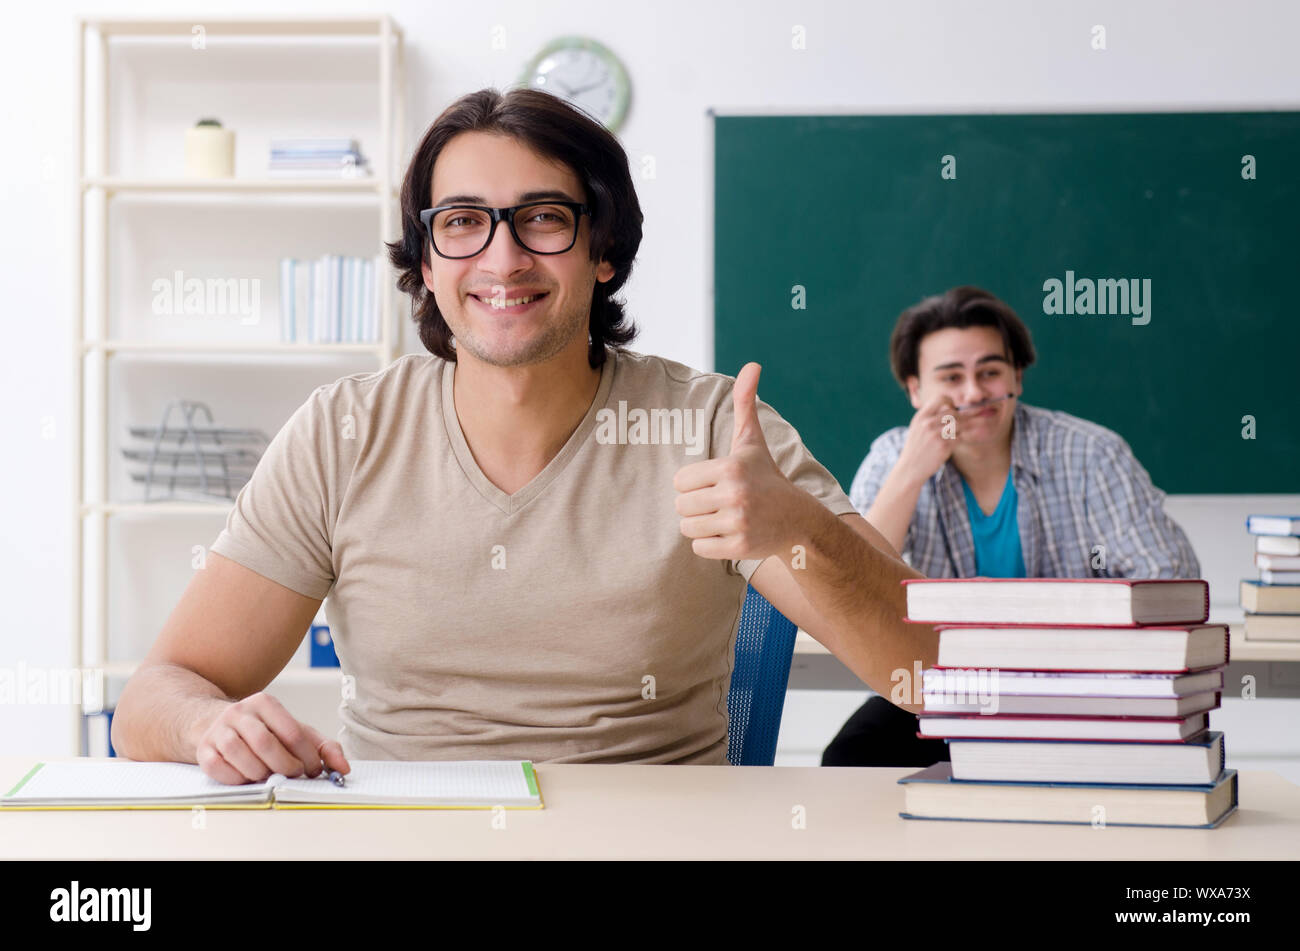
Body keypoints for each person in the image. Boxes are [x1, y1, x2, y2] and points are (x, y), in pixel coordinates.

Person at [113, 87, 936, 784]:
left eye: (542, 218)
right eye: (464, 222)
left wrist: (799, 531)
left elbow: (931, 678)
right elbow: (156, 694)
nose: (503, 259)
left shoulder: (716, 427)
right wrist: (203, 728)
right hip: (407, 840)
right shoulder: (343, 432)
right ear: (428, 262)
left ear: (603, 249)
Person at [821, 286, 1201, 767]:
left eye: (990, 372)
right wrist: (911, 473)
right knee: (853, 754)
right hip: (945, 689)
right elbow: (850, 586)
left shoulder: (1090, 454)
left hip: (1075, 687)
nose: (974, 394)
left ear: (1016, 376)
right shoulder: (892, 458)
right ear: (916, 389)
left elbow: (1172, 584)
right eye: (951, 377)